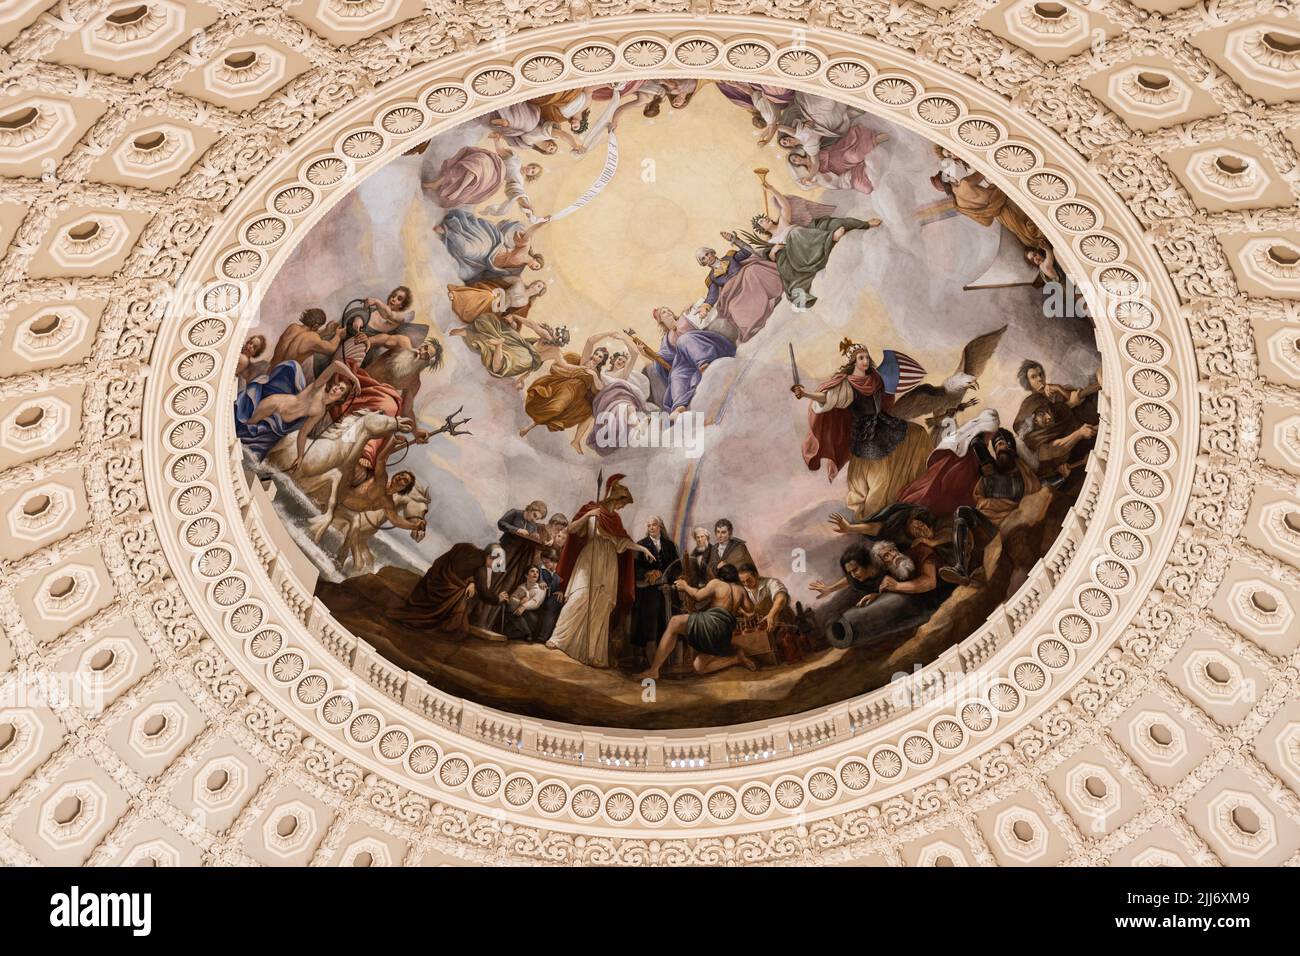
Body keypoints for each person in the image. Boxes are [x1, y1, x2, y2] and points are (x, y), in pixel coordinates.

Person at [795, 339, 934, 520]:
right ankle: (877, 512)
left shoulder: (875, 378)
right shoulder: (847, 385)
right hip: (866, 431)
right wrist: (805, 394)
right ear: (854, 362)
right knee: (880, 472)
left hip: (883, 422)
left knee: (918, 434)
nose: (865, 361)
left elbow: (885, 399)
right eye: (861, 358)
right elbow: (827, 398)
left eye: (867, 357)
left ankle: (919, 484)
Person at [546, 474, 651, 667]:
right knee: (579, 596)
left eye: (624, 504)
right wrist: (588, 516)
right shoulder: (590, 509)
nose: (622, 506)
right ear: (613, 498)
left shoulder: (616, 520)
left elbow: (622, 542)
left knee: (601, 606)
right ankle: (559, 638)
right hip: (589, 558)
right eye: (622, 502)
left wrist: (642, 548)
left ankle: (593, 652)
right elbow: (571, 529)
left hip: (608, 563)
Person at [739, 179, 881, 308]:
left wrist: (772, 189)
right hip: (801, 254)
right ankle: (831, 238)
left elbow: (784, 205)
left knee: (826, 224)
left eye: (764, 218)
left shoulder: (783, 221)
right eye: (762, 222)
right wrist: (773, 250)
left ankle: (865, 224)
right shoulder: (770, 241)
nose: (765, 220)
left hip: (810, 239)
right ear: (761, 228)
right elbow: (773, 259)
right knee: (793, 236)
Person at [825, 533, 954, 649]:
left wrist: (897, 587)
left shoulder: (920, 551)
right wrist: (878, 594)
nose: (893, 556)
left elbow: (929, 582)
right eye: (886, 556)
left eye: (892, 551)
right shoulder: (894, 572)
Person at [634, 564, 756, 680]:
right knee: (699, 668)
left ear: (721, 576)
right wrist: (735, 606)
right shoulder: (741, 590)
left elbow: (697, 596)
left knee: (674, 622)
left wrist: (685, 586)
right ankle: (736, 659)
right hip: (723, 635)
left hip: (711, 625)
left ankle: (654, 670)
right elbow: (750, 610)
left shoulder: (717, 583)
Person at [235, 359, 359, 463]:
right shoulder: (318, 387)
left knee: (253, 448)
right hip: (275, 404)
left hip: (279, 425)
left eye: (341, 389)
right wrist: (355, 379)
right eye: (338, 385)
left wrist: (300, 456)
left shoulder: (320, 411)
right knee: (245, 428)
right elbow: (336, 364)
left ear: (341, 397)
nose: (336, 388)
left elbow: (303, 433)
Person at [389, 542, 508, 638]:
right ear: (489, 557)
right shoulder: (481, 568)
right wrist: (497, 599)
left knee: (466, 587)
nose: (494, 566)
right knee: (464, 594)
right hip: (443, 591)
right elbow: (484, 593)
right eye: (495, 562)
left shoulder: (465, 547)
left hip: (431, 581)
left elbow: (451, 565)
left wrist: (471, 581)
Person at [520, 335, 610, 454]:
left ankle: (529, 428)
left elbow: (599, 387)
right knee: (554, 408)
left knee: (557, 414)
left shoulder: (597, 373)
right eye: (597, 354)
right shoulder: (584, 361)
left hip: (577, 396)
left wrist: (593, 375)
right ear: (593, 354)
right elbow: (589, 341)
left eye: (600, 357)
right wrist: (609, 334)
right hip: (566, 388)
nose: (597, 357)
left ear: (602, 361)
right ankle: (529, 427)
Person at [643, 305, 736, 416]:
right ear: (660, 320)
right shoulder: (666, 340)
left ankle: (704, 364)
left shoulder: (685, 317)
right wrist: (646, 354)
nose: (668, 312)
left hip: (703, 346)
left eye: (668, 310)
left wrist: (699, 309)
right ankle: (679, 405)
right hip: (688, 362)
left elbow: (702, 316)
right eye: (663, 312)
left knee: (684, 339)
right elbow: (663, 359)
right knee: (676, 373)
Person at [435, 208, 547, 282]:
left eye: (535, 269)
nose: (534, 267)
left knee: (463, 274)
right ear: (536, 259)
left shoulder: (519, 269)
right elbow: (530, 232)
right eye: (537, 266)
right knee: (467, 250)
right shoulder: (525, 249)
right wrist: (541, 223)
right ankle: (447, 231)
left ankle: (448, 239)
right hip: (491, 247)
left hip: (484, 262)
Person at [631, 516, 680, 662]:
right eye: (649, 525)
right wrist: (647, 573)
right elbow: (635, 569)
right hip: (648, 591)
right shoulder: (641, 544)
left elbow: (677, 567)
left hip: (667, 591)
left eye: (654, 525)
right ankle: (650, 657)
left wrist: (668, 578)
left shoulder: (670, 545)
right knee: (650, 623)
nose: (651, 527)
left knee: (668, 621)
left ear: (660, 527)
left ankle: (666, 656)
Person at [269, 309, 341, 381]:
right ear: (315, 326)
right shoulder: (311, 337)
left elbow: (306, 336)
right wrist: (338, 335)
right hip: (283, 381)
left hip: (270, 374)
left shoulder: (292, 328)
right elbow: (331, 349)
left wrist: (326, 330)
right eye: (318, 327)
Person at [423, 145, 504, 207]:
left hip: (482, 173)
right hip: (483, 167)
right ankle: (436, 184)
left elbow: (472, 171)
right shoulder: (479, 159)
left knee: (462, 174)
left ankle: (437, 185)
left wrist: (458, 191)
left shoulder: (479, 164)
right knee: (456, 171)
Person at [496, 500, 549, 595]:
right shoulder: (515, 513)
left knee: (508, 582)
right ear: (530, 509)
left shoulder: (533, 524)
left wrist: (535, 535)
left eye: (537, 519)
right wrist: (517, 529)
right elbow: (501, 523)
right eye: (534, 515)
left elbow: (533, 534)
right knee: (496, 576)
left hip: (518, 557)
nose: (535, 520)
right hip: (505, 550)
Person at [735, 563, 792, 632]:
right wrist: (746, 613)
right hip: (762, 629)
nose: (746, 584)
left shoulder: (771, 583)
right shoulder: (743, 590)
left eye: (748, 580)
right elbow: (738, 606)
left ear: (756, 575)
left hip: (781, 625)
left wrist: (771, 614)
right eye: (743, 582)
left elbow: (781, 598)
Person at [504, 566, 549, 641]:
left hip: (532, 618)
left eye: (537, 572)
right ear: (526, 575)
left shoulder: (541, 588)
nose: (535, 574)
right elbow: (511, 599)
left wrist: (523, 606)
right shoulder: (521, 587)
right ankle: (527, 633)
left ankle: (528, 633)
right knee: (507, 631)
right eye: (532, 571)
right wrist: (520, 602)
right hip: (518, 617)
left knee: (515, 613)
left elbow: (535, 603)